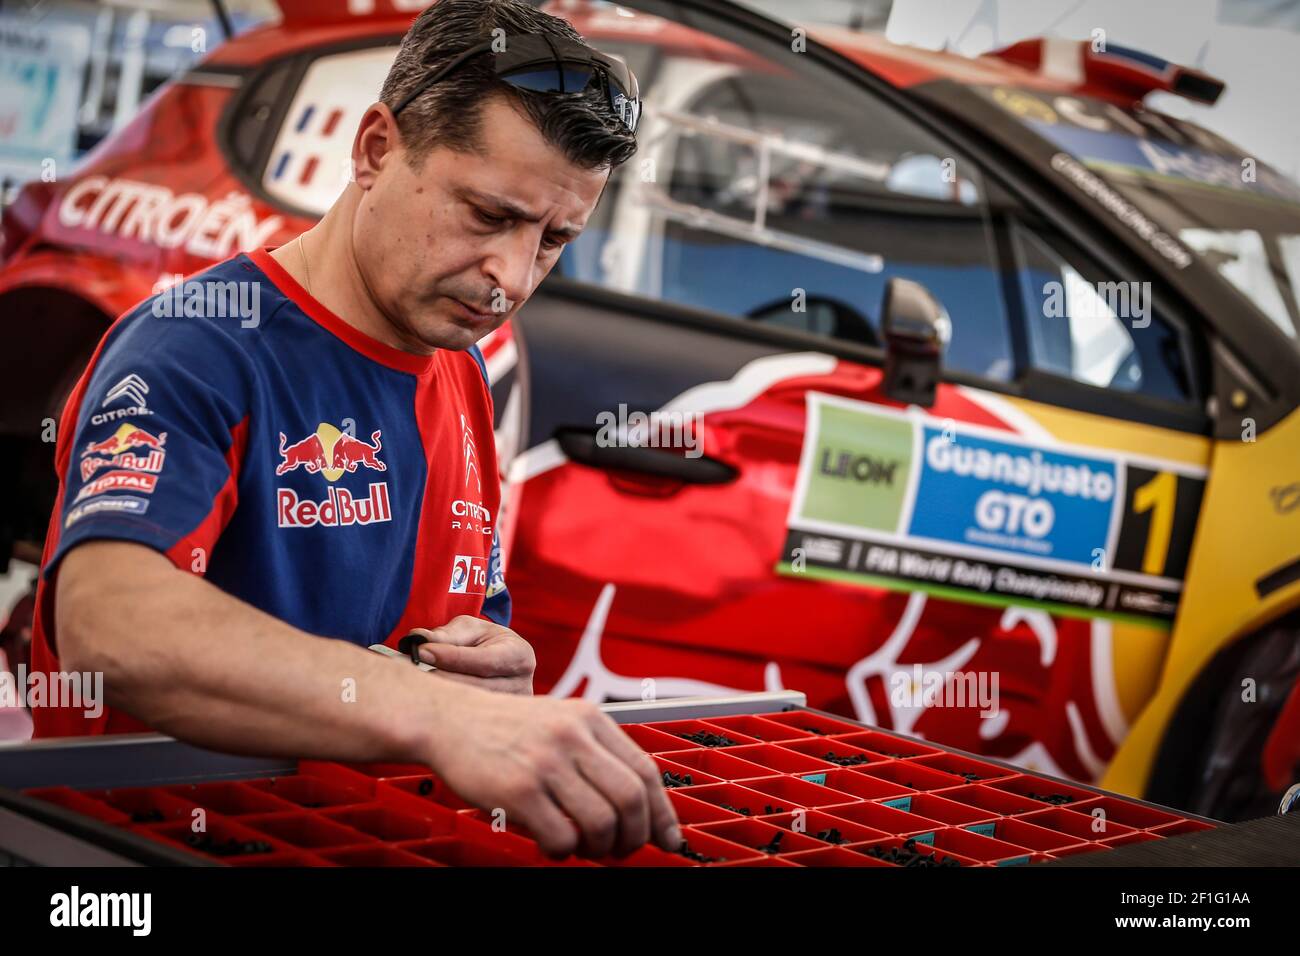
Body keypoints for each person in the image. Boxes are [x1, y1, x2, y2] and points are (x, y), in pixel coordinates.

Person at [26, 0, 678, 859]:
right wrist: (431, 712)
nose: (511, 277)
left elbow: (444, 637)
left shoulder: (462, 368)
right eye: (488, 214)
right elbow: (109, 624)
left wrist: (492, 677)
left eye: (554, 239)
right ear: (376, 148)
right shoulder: (199, 346)